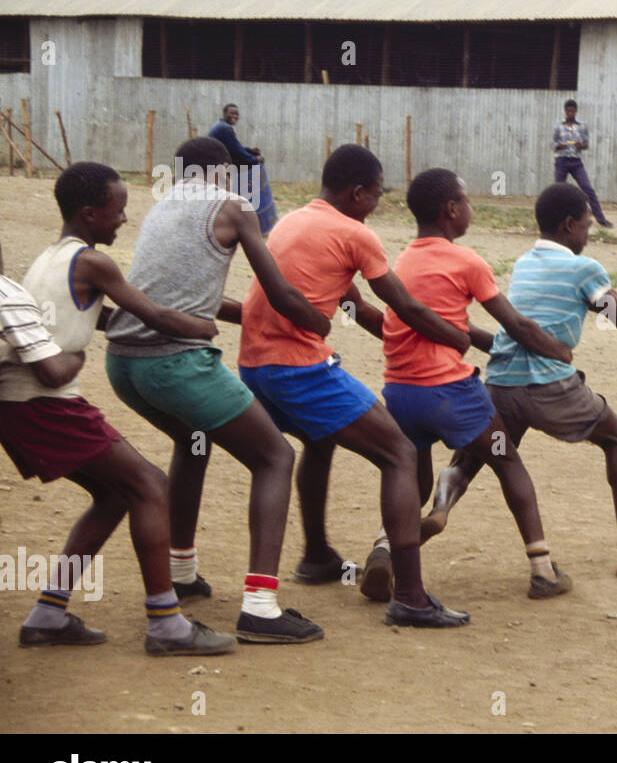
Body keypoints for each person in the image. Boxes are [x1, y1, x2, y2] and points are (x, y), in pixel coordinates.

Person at [104, 137, 334, 643]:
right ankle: (260, 607)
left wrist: (247, 314)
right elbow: (278, 290)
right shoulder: (233, 206)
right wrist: (318, 322)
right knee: (274, 456)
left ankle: (182, 572)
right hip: (174, 363)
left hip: (123, 364)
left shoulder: (162, 206)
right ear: (222, 171)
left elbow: (185, 294)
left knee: (193, 440)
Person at [0, 166, 235, 656]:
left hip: (20, 405)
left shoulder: (50, 259)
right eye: (118, 209)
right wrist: (203, 327)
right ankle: (166, 623)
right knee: (150, 485)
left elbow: (94, 315)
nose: (125, 219)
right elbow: (154, 315)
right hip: (45, 403)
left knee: (114, 495)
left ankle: (48, 613)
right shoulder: (93, 263)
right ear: (90, 214)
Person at [236, 144, 471, 628]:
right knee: (400, 452)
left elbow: (361, 310)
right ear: (357, 192)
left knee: (320, 439)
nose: (379, 205)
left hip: (254, 365)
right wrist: (461, 340)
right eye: (377, 195)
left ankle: (317, 555)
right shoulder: (355, 233)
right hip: (296, 367)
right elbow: (408, 309)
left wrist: (409, 345)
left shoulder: (297, 221)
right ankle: (410, 595)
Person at [414, 182, 617, 582]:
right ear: (569, 226)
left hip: (501, 384)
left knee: (472, 457)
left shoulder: (525, 263)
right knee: (616, 436)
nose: (588, 234)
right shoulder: (584, 268)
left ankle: (441, 506)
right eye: (586, 226)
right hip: (549, 387)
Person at [351, 169, 576, 600]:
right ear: (450, 210)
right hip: (453, 396)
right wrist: (558, 352)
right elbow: (517, 324)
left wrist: (494, 347)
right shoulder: (467, 262)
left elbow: (448, 321)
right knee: (506, 459)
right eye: (467, 201)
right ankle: (543, 569)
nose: (470, 208)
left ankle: (382, 548)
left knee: (410, 478)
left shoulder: (401, 262)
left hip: (401, 395)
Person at [208, 103, 277, 234]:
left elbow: (234, 147)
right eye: (232, 113)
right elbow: (236, 151)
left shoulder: (221, 126)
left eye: (236, 114)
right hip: (216, 166)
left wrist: (250, 151)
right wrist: (254, 159)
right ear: (224, 114)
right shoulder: (226, 128)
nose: (234, 116)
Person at [552, 99, 612, 227]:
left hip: (576, 163)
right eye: (568, 110)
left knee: (588, 189)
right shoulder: (558, 126)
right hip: (561, 161)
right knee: (558, 191)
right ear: (565, 111)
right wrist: (559, 146)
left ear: (576, 111)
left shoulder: (582, 126)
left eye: (573, 111)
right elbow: (553, 144)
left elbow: (586, 145)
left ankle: (601, 219)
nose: (570, 113)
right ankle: (556, 220)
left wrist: (581, 145)